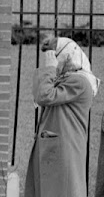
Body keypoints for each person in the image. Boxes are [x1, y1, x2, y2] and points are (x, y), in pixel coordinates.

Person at [27, 36, 98, 197]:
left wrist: (50, 69)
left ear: (67, 56)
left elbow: (44, 95)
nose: (53, 62)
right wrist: (49, 70)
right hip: (54, 153)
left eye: (55, 55)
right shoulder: (63, 79)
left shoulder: (80, 82)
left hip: (64, 154)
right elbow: (38, 93)